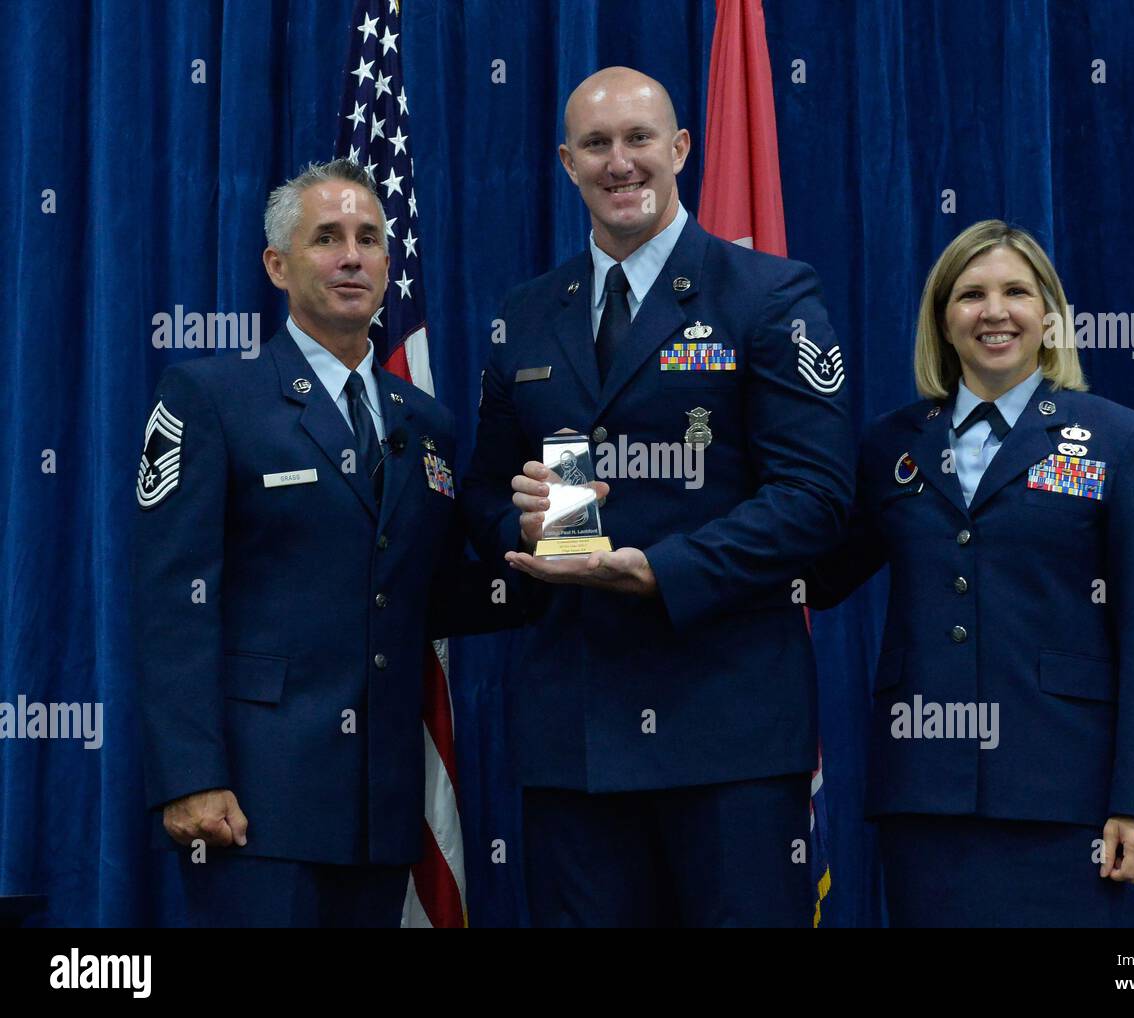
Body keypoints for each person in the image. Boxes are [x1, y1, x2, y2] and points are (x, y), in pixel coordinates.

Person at [461, 67, 854, 927]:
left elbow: (817, 496)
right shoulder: (528, 314)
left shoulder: (770, 295)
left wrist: (662, 571)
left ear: (680, 148)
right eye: (596, 145)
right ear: (567, 163)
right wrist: (524, 529)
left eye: (639, 139)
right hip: (576, 739)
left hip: (727, 735)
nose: (620, 163)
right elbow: (484, 488)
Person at [133, 158, 505, 927]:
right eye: (326, 238)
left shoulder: (423, 420)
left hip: (379, 803)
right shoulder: (211, 397)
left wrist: (553, 561)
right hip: (252, 802)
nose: (351, 257)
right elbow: (174, 599)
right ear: (278, 264)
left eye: (369, 239)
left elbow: (421, 594)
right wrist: (190, 776)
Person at [811, 220, 1134, 927]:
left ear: (1048, 315)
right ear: (943, 320)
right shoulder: (893, 443)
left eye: (1016, 291)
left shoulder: (1118, 440)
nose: (994, 311)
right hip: (926, 801)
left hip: (1067, 800)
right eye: (971, 294)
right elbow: (819, 575)